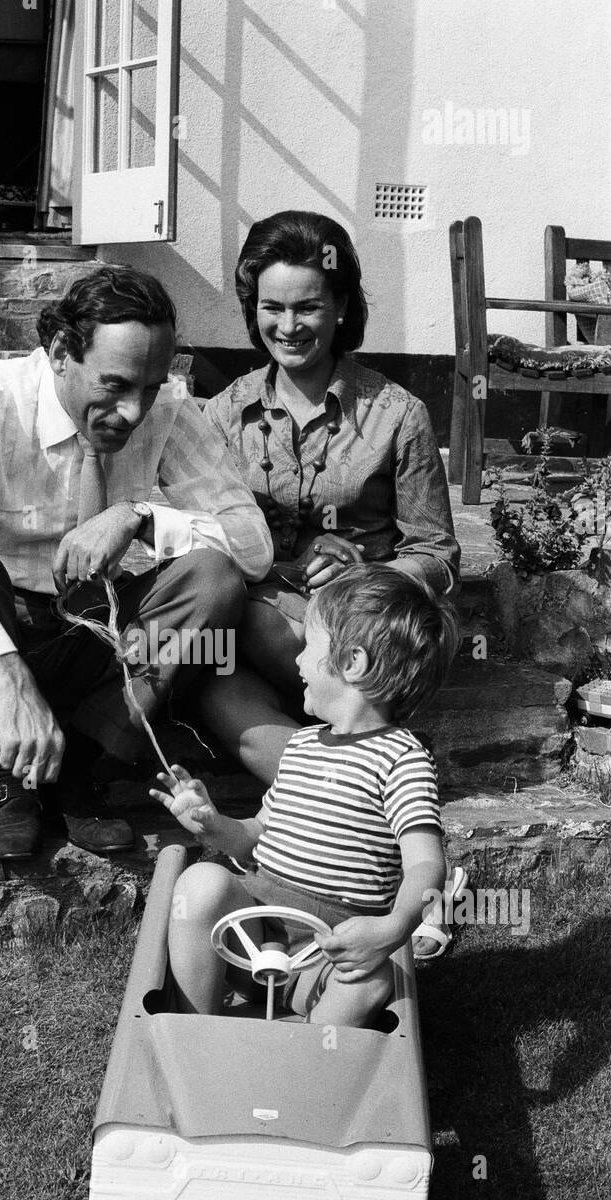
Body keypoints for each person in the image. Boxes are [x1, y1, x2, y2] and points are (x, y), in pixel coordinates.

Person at [0, 266, 273, 859]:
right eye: (115, 385)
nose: (133, 411)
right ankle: (15, 775)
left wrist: (138, 516)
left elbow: (252, 546)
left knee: (213, 579)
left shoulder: (168, 409)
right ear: (60, 353)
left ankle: (80, 766)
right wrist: (12, 681)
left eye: (150, 387)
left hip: (94, 634)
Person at [195, 210, 461, 793]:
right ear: (253, 309)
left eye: (308, 307)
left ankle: (360, 752)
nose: (288, 326)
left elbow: (438, 555)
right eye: (272, 307)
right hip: (266, 621)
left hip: (362, 632)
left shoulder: (398, 414)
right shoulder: (223, 414)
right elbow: (202, 531)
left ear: (341, 306)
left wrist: (367, 575)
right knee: (217, 683)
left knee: (252, 630)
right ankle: (342, 791)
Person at [151, 565, 459, 1028]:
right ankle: (194, 1030)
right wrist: (212, 823)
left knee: (373, 979)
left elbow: (426, 865)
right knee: (201, 883)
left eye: (309, 646)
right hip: (254, 935)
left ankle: (312, 1053)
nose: (296, 661)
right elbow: (256, 837)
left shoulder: (402, 759)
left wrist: (392, 928)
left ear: (351, 663)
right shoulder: (300, 746)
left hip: (332, 950)